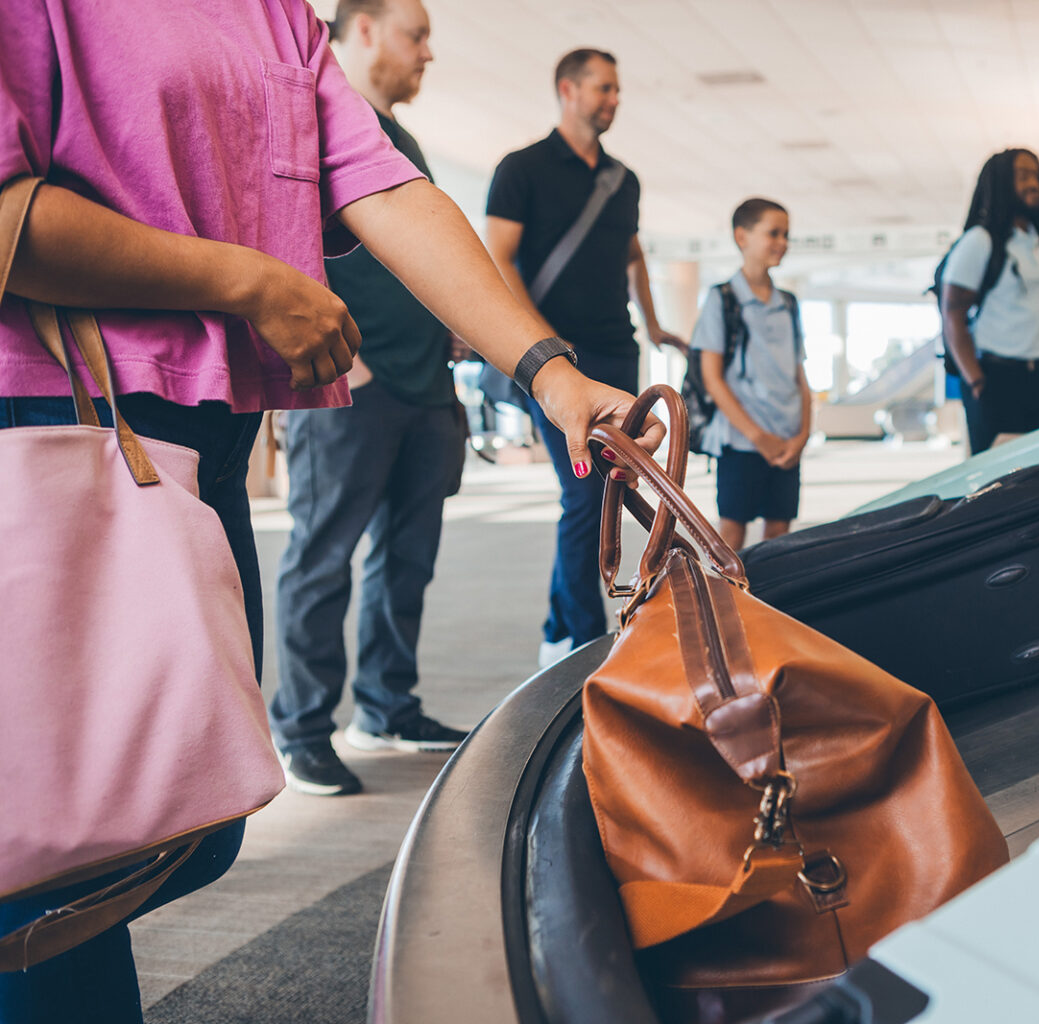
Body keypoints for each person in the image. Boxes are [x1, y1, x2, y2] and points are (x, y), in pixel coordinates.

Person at [0, 2, 660, 1020]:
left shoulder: (270, 15)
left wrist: (549, 374)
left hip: (197, 436)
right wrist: (246, 280)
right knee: (65, 845)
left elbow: (388, 188)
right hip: (55, 423)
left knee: (167, 822)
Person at [267, 0, 470, 798]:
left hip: (423, 387)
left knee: (405, 563)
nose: (427, 52)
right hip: (350, 385)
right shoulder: (310, 122)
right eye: (415, 34)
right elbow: (271, 231)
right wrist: (336, 370)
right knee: (322, 562)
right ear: (360, 31)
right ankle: (303, 729)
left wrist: (445, 324)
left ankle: (385, 707)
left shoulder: (404, 141)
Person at [483, 48, 686, 666]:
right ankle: (581, 642)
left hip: (615, 349)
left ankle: (557, 629)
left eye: (618, 89)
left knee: (601, 489)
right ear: (567, 90)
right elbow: (499, 259)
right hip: (554, 359)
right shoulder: (521, 169)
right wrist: (539, 350)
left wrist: (652, 325)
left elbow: (632, 254)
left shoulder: (623, 180)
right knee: (584, 495)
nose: (613, 99)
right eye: (603, 88)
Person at [692, 198, 811, 551]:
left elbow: (799, 374)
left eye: (786, 234)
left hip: (788, 438)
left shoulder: (788, 303)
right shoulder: (722, 299)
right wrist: (758, 437)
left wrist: (803, 434)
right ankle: (733, 607)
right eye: (773, 233)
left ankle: (772, 604)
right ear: (742, 237)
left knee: (779, 534)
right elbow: (712, 378)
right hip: (742, 441)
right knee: (731, 537)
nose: (782, 242)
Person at [939, 148, 1039, 455]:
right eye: (1023, 176)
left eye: (1036, 175)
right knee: (1001, 484)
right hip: (997, 378)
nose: (1033, 183)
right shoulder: (979, 242)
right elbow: (952, 312)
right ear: (1000, 183)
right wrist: (975, 381)